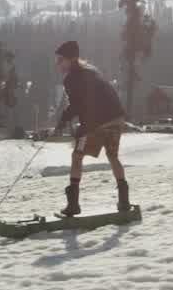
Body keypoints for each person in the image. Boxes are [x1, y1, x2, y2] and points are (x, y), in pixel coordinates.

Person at [53, 40, 130, 216]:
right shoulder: (91, 72)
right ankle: (124, 201)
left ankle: (73, 205)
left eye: (60, 60)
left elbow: (79, 105)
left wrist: (68, 123)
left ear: (70, 59)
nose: (58, 64)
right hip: (116, 118)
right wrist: (67, 121)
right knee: (112, 156)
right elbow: (91, 101)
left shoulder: (72, 78)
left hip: (100, 121)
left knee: (77, 156)